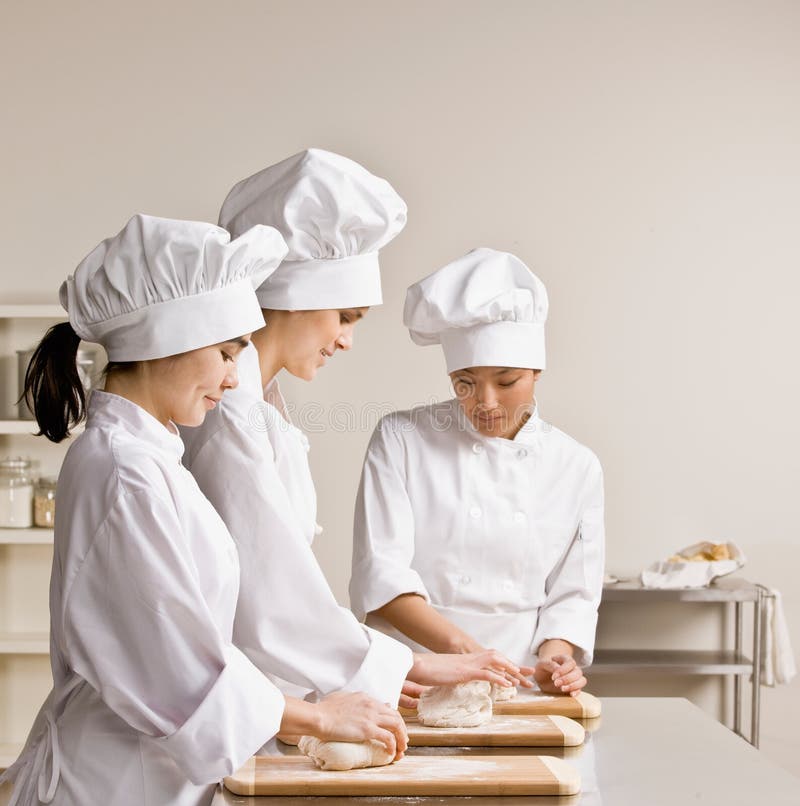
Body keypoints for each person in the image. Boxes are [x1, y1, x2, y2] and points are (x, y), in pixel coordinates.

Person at [0, 215, 407, 806]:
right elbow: (173, 667)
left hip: (152, 774)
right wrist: (319, 719)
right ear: (167, 344)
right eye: (224, 353)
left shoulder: (149, 458)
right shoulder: (124, 472)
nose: (232, 377)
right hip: (114, 783)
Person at [181, 151, 531, 712]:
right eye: (345, 317)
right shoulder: (229, 414)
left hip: (259, 696)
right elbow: (271, 602)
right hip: (227, 705)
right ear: (296, 297)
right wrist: (408, 664)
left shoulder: (261, 405)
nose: (346, 341)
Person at [350, 248, 605, 696]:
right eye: (464, 383)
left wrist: (555, 659)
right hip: (414, 677)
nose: (485, 402)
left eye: (506, 382)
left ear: (536, 371)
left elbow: (574, 594)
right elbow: (381, 573)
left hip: (519, 684)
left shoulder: (576, 465)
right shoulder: (402, 438)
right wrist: (465, 653)